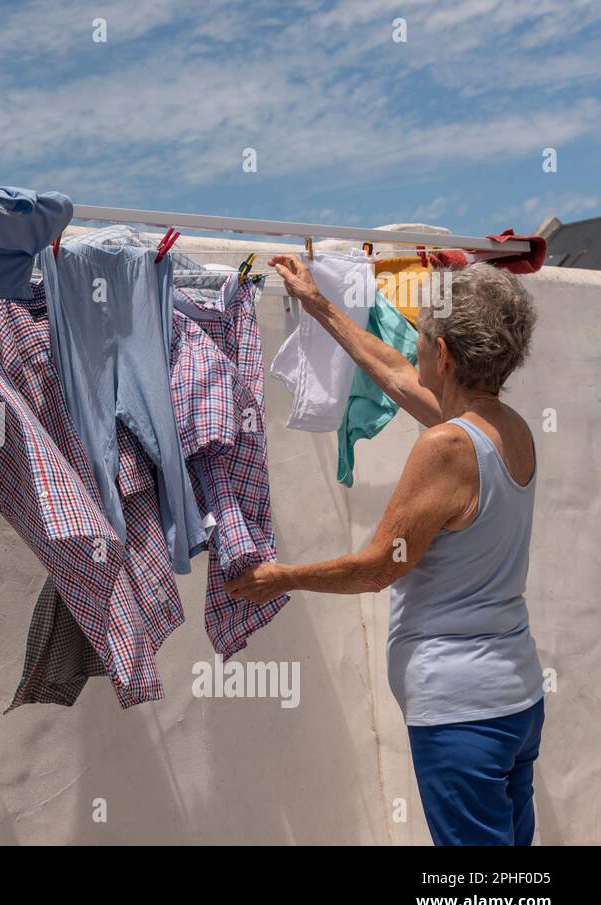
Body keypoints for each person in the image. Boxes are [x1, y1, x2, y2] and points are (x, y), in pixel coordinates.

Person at [226, 256, 545, 846]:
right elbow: (396, 374)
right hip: (516, 700)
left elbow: (377, 568)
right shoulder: (509, 428)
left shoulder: (446, 446)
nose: (414, 343)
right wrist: (319, 305)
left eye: (421, 333)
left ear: (444, 353)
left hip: (462, 715)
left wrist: (281, 576)